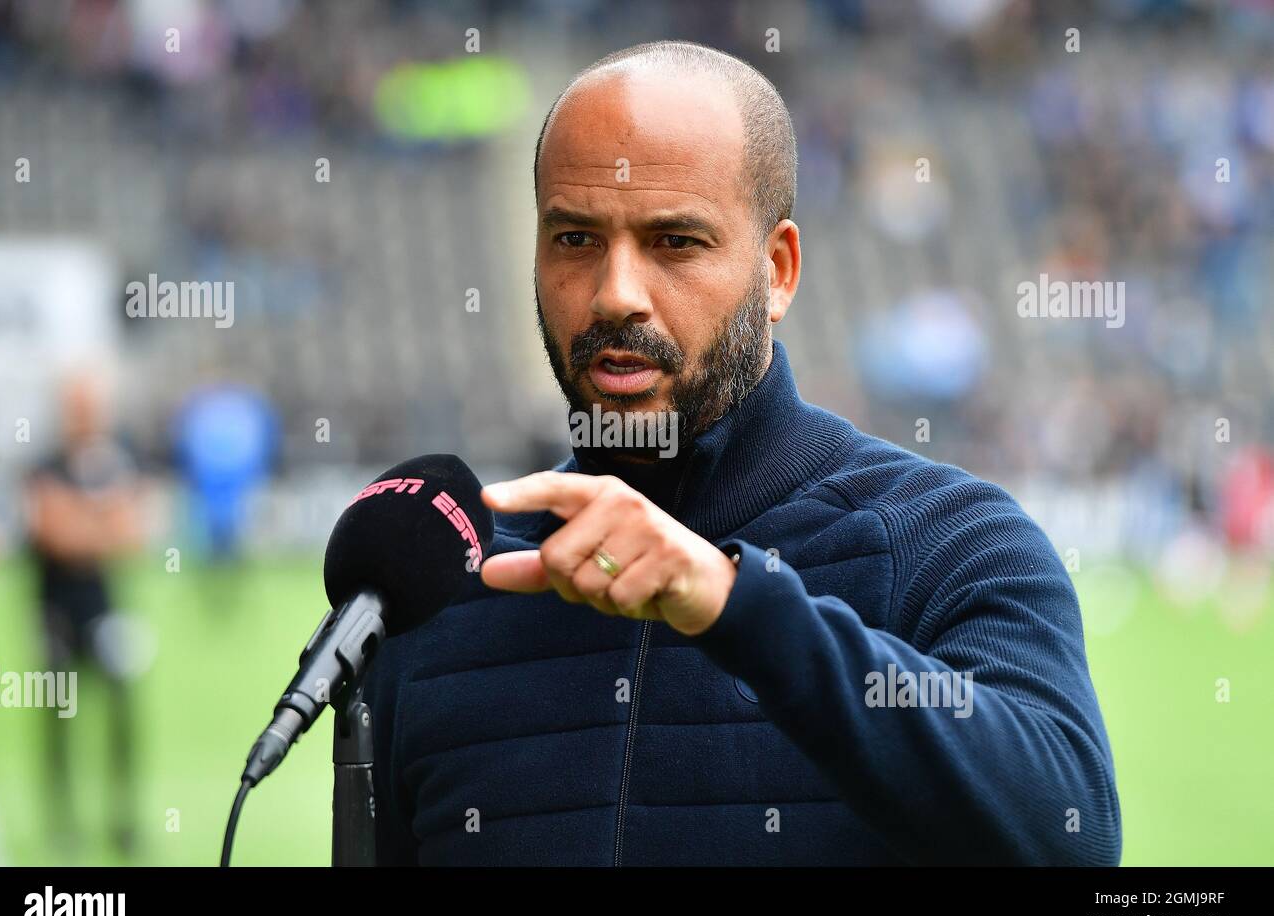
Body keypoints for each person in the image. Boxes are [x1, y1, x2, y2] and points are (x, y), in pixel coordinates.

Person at [363, 41, 1122, 865]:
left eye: (676, 242)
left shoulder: (948, 541)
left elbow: (1070, 837)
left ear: (778, 271)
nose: (616, 294)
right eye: (576, 239)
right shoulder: (448, 589)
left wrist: (736, 605)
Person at [23, 371, 145, 858]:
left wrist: (87, 521)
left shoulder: (111, 464)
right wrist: (97, 519)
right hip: (54, 615)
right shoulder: (46, 466)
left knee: (122, 713)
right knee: (59, 720)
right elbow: (57, 535)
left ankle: (122, 819)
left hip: (102, 615)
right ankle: (62, 820)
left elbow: (130, 534)